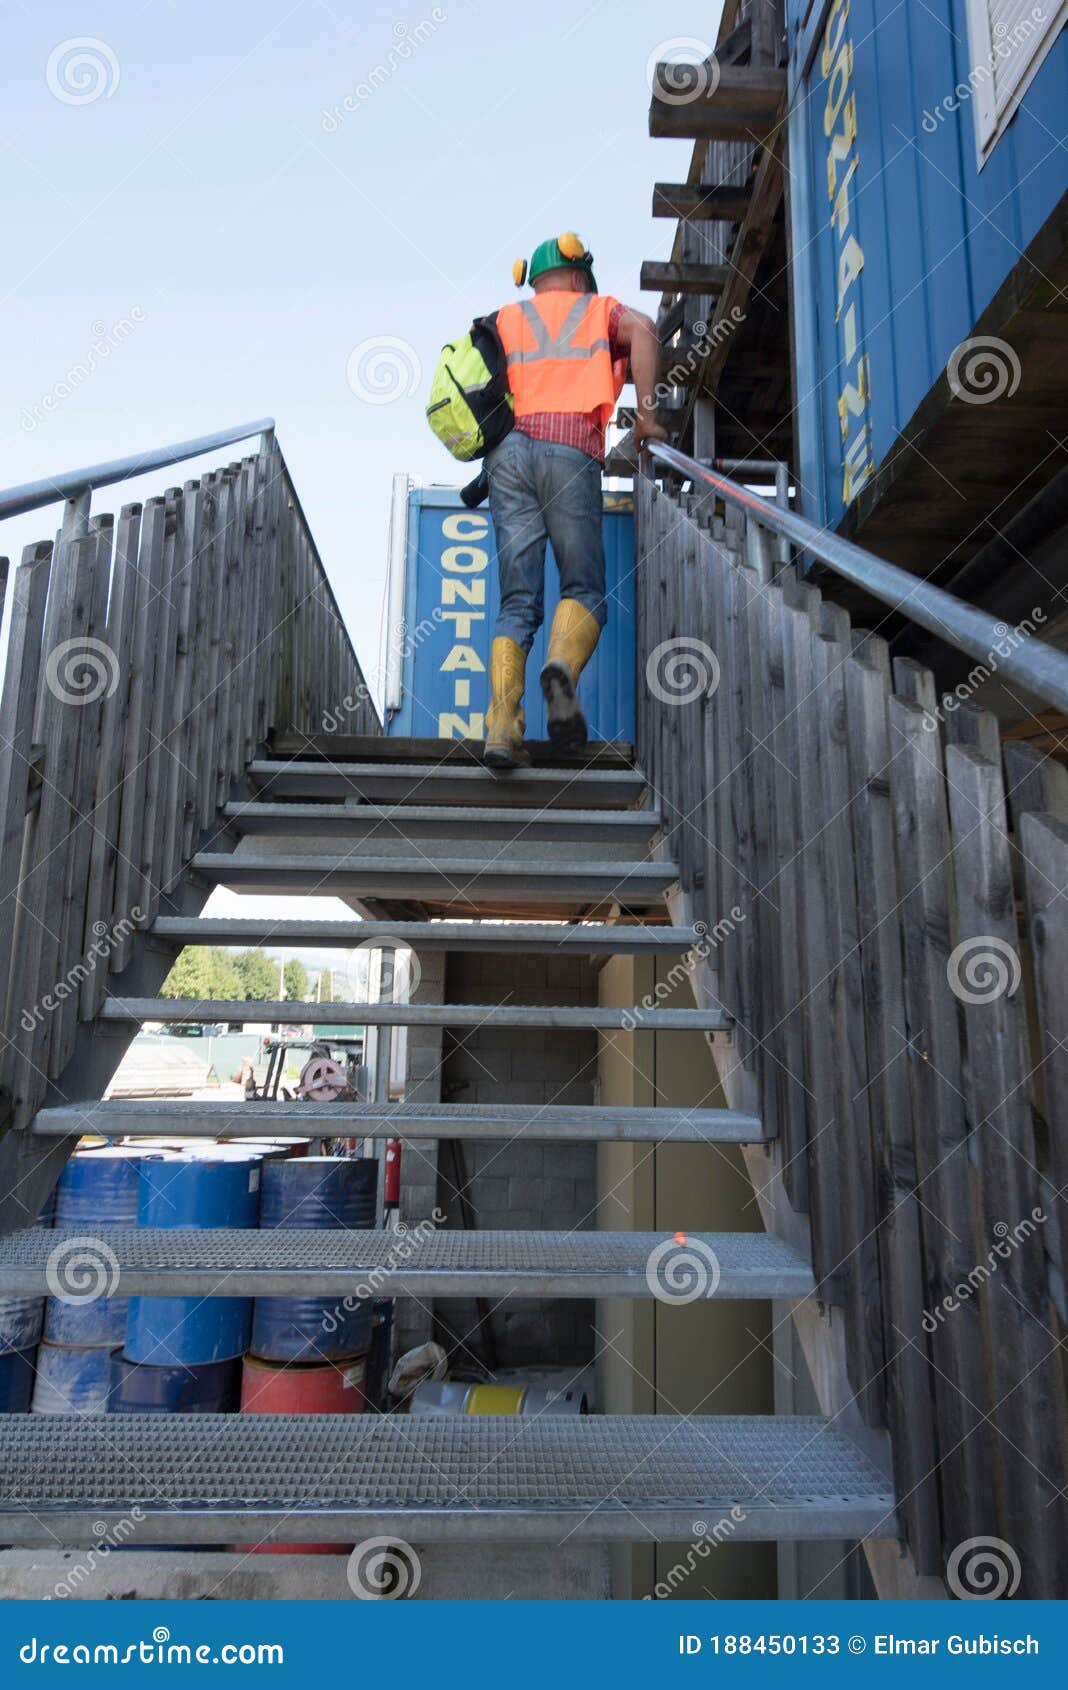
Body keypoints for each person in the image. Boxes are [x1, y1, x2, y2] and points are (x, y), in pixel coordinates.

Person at [483, 231, 666, 769]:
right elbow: (647, 333)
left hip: (506, 457)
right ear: (577, 273)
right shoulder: (597, 310)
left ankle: (501, 726)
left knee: (517, 601)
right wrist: (648, 420)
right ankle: (560, 665)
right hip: (568, 449)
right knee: (582, 585)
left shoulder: (504, 318)